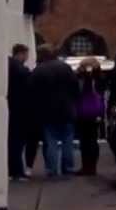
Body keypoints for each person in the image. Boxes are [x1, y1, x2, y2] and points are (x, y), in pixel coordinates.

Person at [29, 46, 79, 177]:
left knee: (51, 141)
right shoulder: (65, 68)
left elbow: (32, 92)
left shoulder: (38, 71)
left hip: (47, 111)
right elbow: (75, 87)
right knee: (67, 141)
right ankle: (68, 167)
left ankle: (52, 169)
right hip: (66, 109)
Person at [75, 58, 106, 175]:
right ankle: (92, 167)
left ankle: (86, 166)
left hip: (83, 111)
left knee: (85, 140)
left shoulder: (81, 78)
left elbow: (78, 92)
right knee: (93, 139)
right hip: (96, 111)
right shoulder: (100, 77)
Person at [6, 44, 32, 180]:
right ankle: (17, 171)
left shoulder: (9, 65)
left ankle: (12, 171)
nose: (27, 57)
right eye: (26, 54)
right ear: (20, 53)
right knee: (17, 143)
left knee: (12, 142)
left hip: (12, 108)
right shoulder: (20, 69)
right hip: (20, 110)